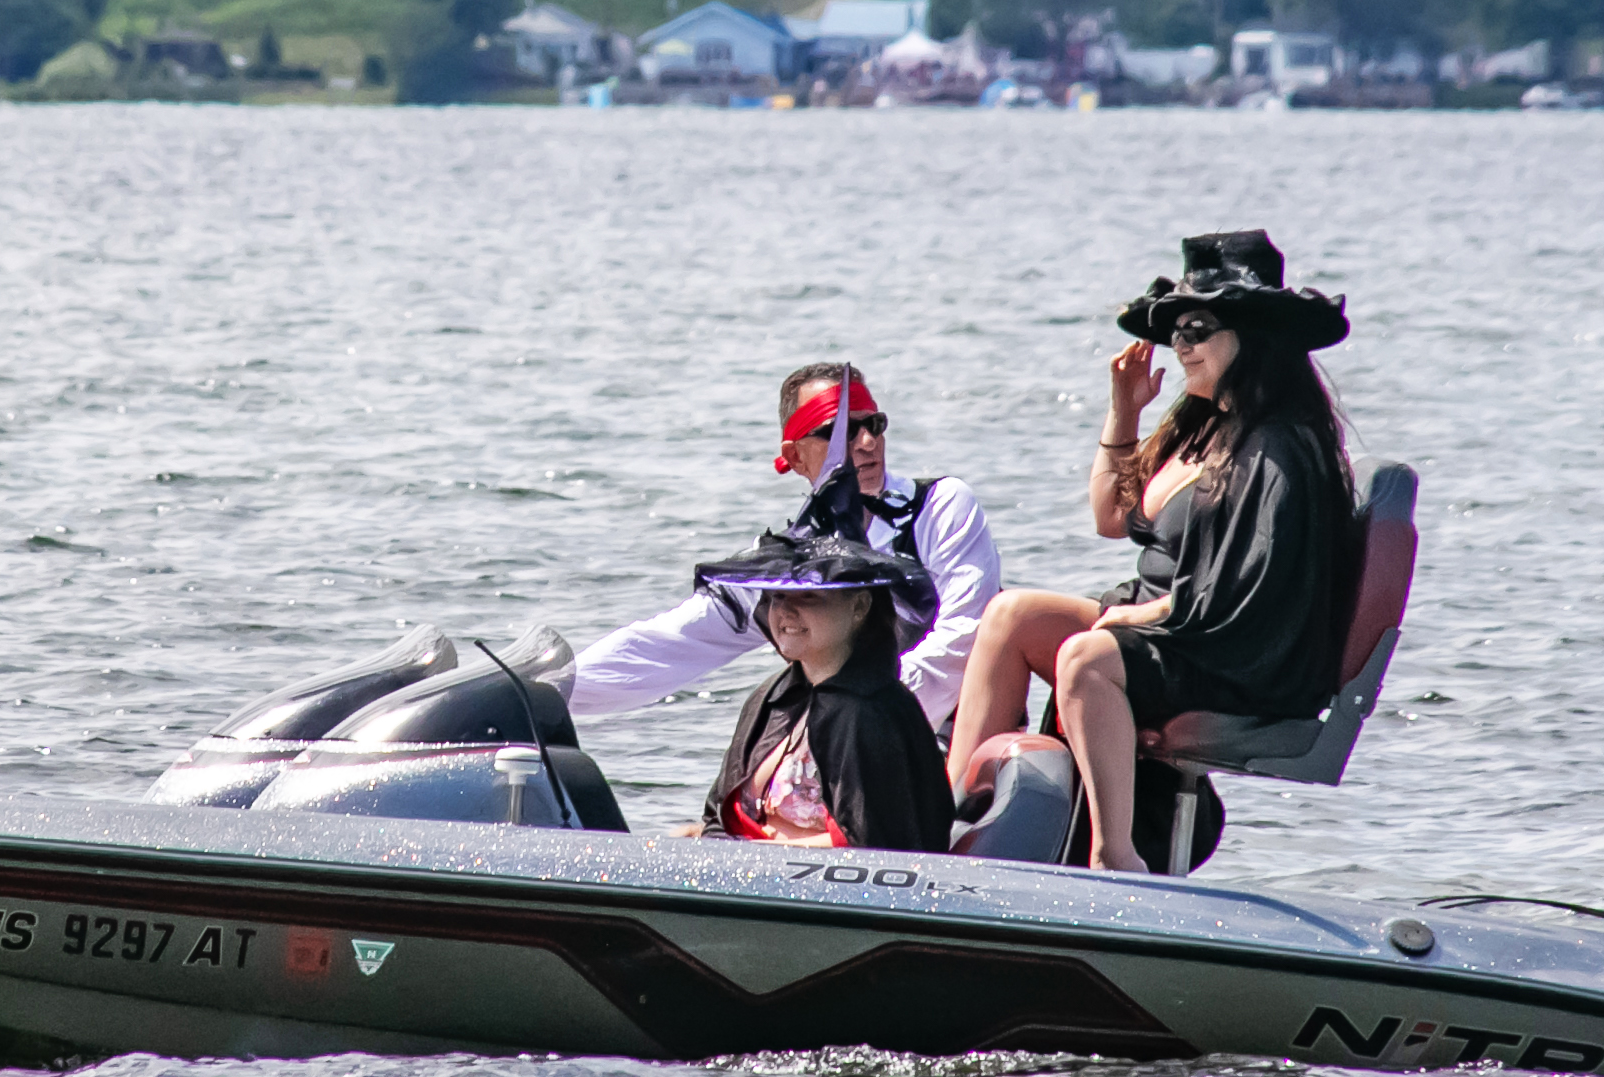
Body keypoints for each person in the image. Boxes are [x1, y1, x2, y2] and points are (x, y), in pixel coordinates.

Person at [943, 232, 1355, 872]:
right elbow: (1112, 516)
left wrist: (1143, 619)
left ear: (1254, 334)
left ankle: (1114, 855)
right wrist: (1123, 411)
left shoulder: (1281, 447)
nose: (1180, 345)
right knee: (1010, 616)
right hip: (1176, 625)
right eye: (1175, 332)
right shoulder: (1206, 426)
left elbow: (1259, 589)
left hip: (1232, 648)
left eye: (1197, 328)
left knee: (1086, 658)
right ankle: (950, 821)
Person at [572, 363, 999, 731]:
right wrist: (542, 694)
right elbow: (664, 645)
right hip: (846, 740)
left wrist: (864, 713)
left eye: (874, 425)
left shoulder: (940, 506)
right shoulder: (789, 559)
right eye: (841, 432)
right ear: (795, 458)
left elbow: (965, 633)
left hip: (952, 738)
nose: (867, 442)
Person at [695, 534, 952, 851]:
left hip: (825, 893)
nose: (784, 610)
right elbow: (717, 817)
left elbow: (878, 849)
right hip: (746, 878)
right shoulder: (769, 697)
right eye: (776, 596)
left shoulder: (872, 713)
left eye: (806, 597)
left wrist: (758, 857)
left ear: (859, 607)